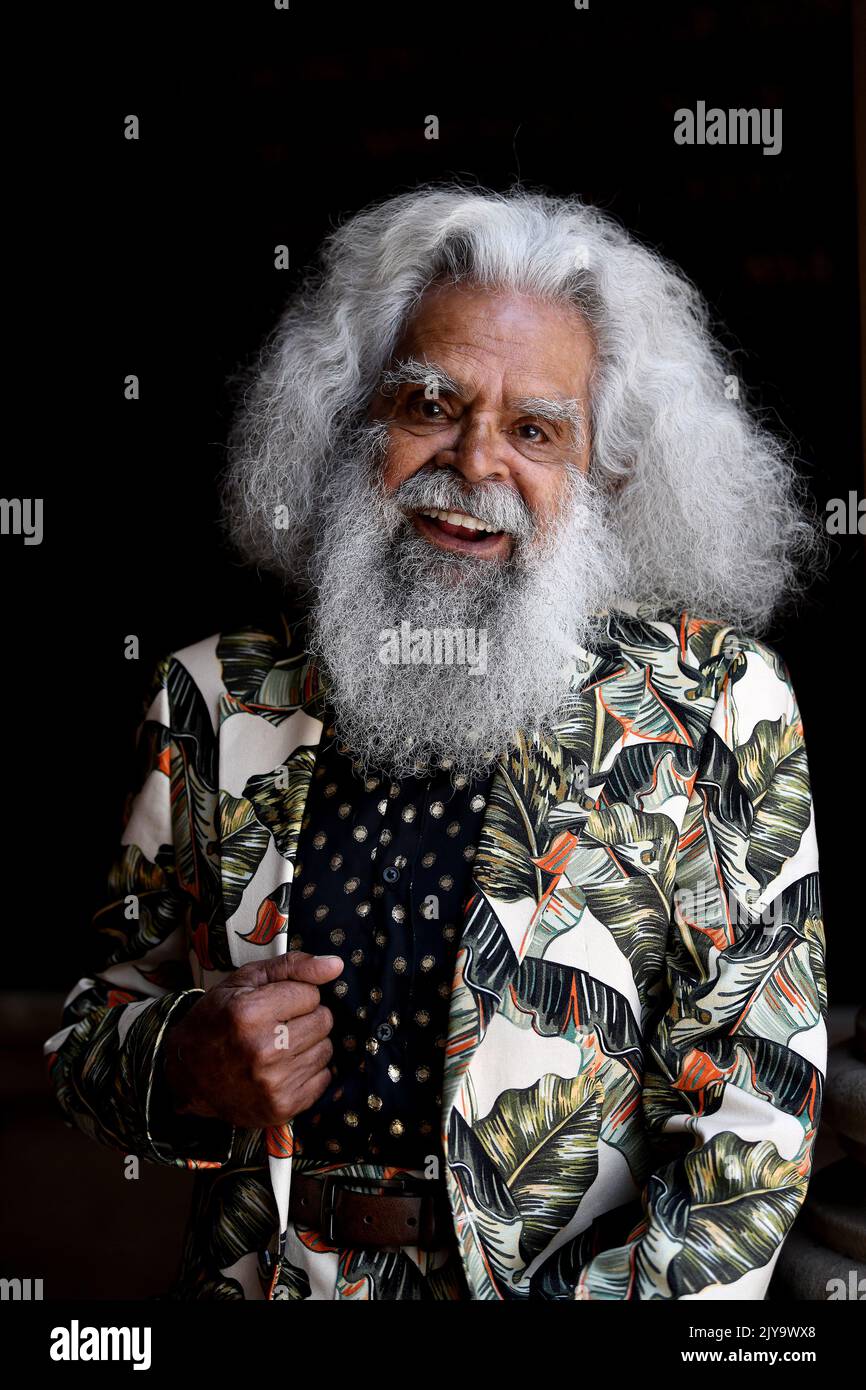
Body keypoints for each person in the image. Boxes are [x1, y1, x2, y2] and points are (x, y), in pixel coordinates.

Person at [46, 184, 828, 1300]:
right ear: (353, 419)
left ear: (604, 476)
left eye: (534, 430)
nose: (473, 462)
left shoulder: (717, 709)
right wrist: (183, 1059)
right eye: (429, 403)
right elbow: (89, 1039)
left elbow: (748, 1138)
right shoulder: (211, 696)